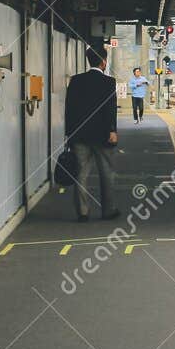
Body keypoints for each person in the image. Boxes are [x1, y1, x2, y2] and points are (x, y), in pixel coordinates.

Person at [64, 49, 119, 222]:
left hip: (79, 135)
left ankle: (83, 212)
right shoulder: (109, 82)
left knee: (81, 173)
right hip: (102, 135)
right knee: (107, 173)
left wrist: (69, 133)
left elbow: (69, 108)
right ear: (103, 62)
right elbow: (110, 108)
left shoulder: (76, 81)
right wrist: (112, 130)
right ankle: (107, 211)